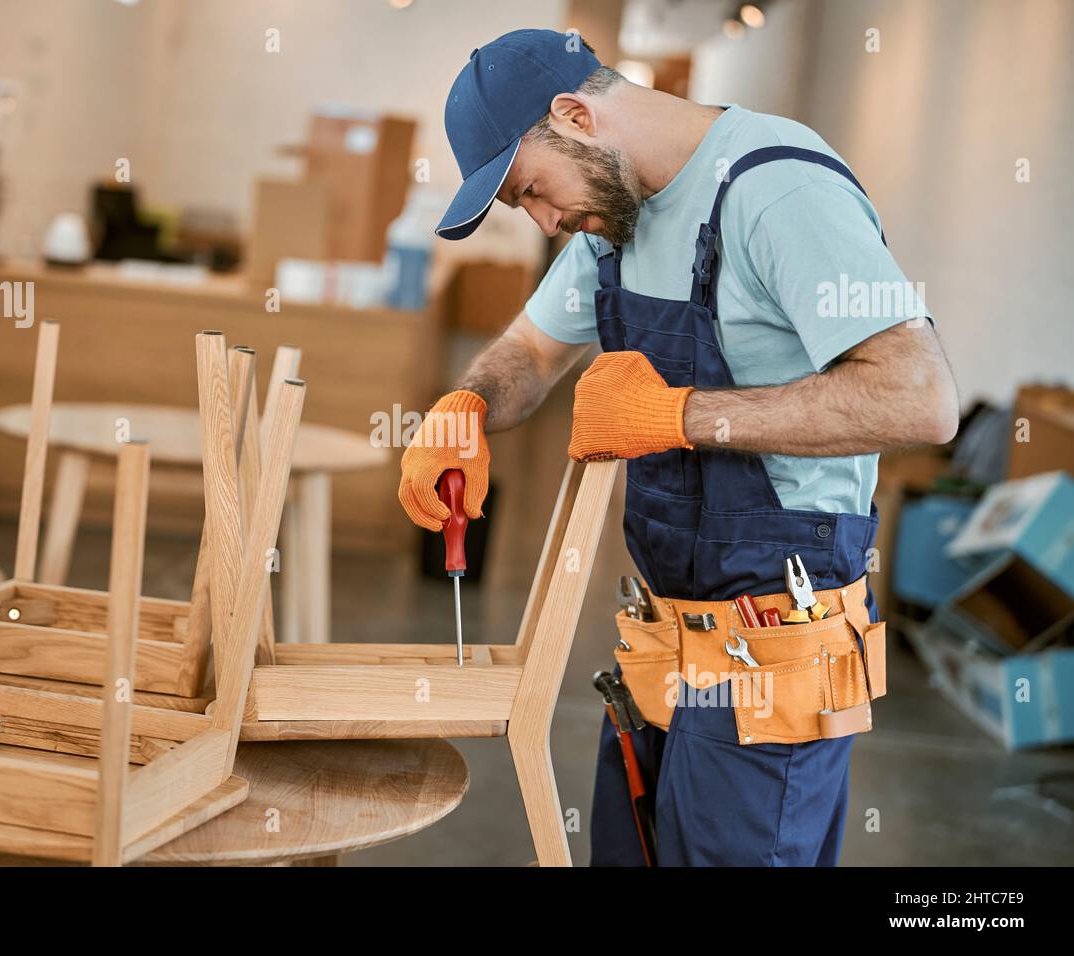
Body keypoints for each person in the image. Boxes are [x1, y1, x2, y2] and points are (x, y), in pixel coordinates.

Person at [397, 29, 957, 866]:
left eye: (531, 193)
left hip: (776, 651)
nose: (547, 224)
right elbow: (531, 354)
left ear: (575, 114)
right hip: (664, 644)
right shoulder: (612, 221)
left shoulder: (779, 189)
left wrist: (682, 417)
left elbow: (923, 398)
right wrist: (465, 409)